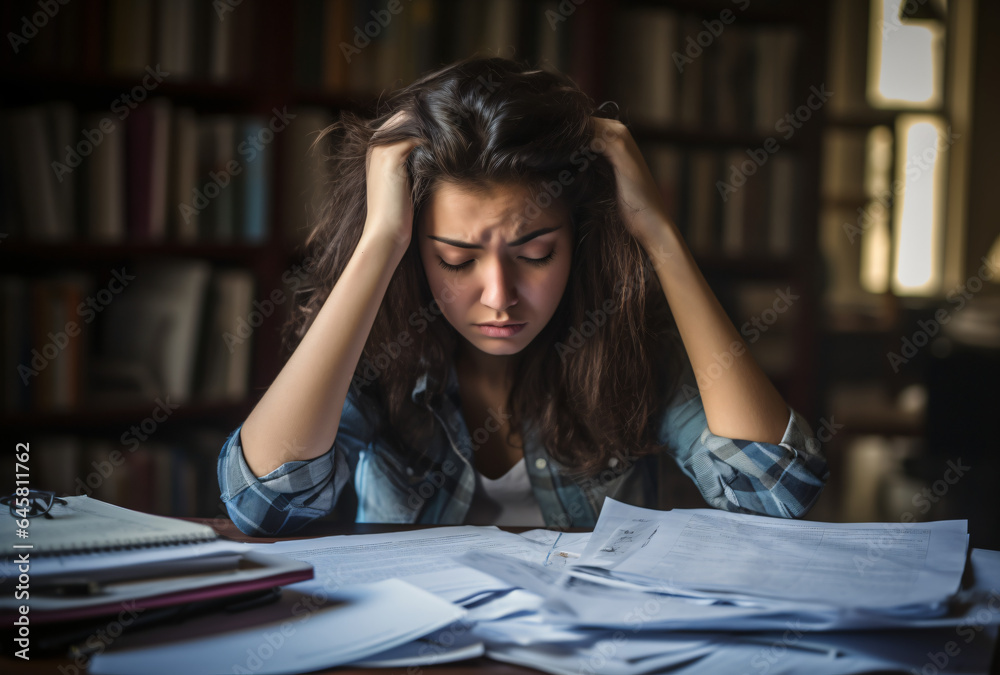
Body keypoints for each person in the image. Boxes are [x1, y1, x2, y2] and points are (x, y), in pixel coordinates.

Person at [217, 56, 828, 536]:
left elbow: (777, 493)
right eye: (456, 259)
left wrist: (657, 232)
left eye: (535, 254)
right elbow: (265, 508)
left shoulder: (631, 353)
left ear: (579, 239)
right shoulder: (383, 356)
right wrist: (380, 240)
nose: (499, 297)